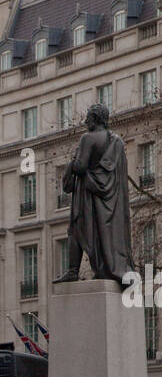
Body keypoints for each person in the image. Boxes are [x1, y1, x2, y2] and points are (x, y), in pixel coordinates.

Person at [54, 103, 136, 287]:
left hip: (88, 194)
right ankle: (109, 267)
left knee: (75, 228)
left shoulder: (88, 138)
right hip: (109, 198)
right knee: (104, 232)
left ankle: (73, 271)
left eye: (88, 117)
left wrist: (71, 164)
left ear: (96, 118)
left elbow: (81, 166)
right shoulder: (117, 142)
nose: (85, 121)